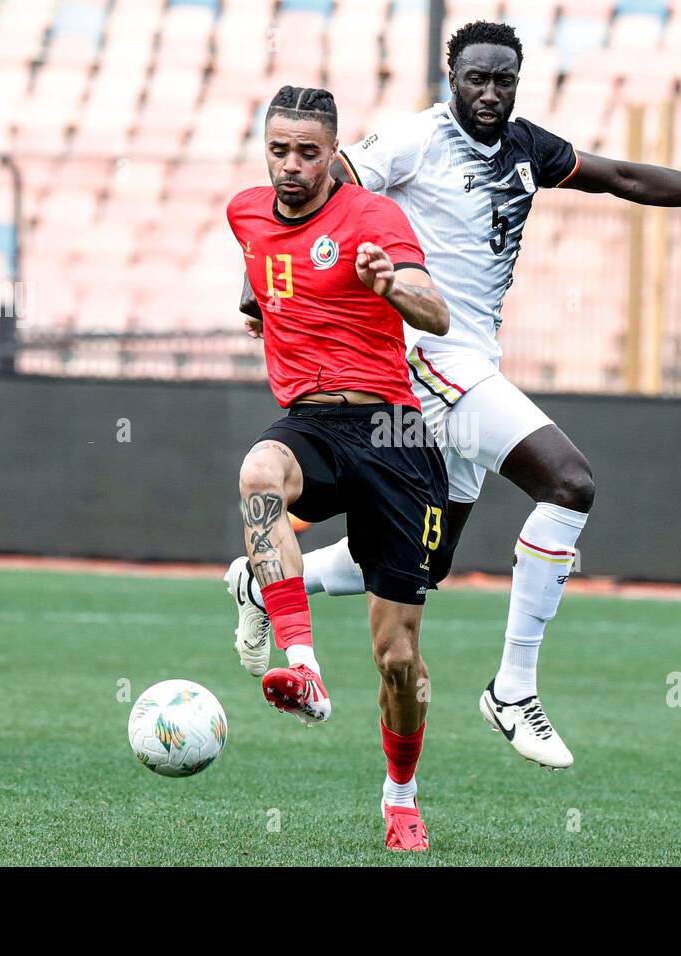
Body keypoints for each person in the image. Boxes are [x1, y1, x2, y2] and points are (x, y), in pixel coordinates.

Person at [227, 21, 681, 771]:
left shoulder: (525, 148)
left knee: (425, 563)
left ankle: (265, 582)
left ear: (517, 82)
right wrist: (259, 294)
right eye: (474, 78)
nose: (488, 92)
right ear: (451, 77)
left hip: (472, 358)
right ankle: (512, 690)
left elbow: (624, 178)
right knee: (569, 482)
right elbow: (302, 197)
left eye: (502, 79)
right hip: (428, 357)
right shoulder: (415, 140)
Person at [225, 85, 451, 851]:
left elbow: (436, 313)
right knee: (260, 472)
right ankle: (304, 665)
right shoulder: (245, 214)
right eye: (279, 150)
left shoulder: (372, 217)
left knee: (398, 658)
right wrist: (260, 311)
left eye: (308, 152)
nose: (291, 165)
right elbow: (263, 280)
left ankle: (400, 797)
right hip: (312, 423)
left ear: (332, 153)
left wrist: (391, 286)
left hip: (392, 429)